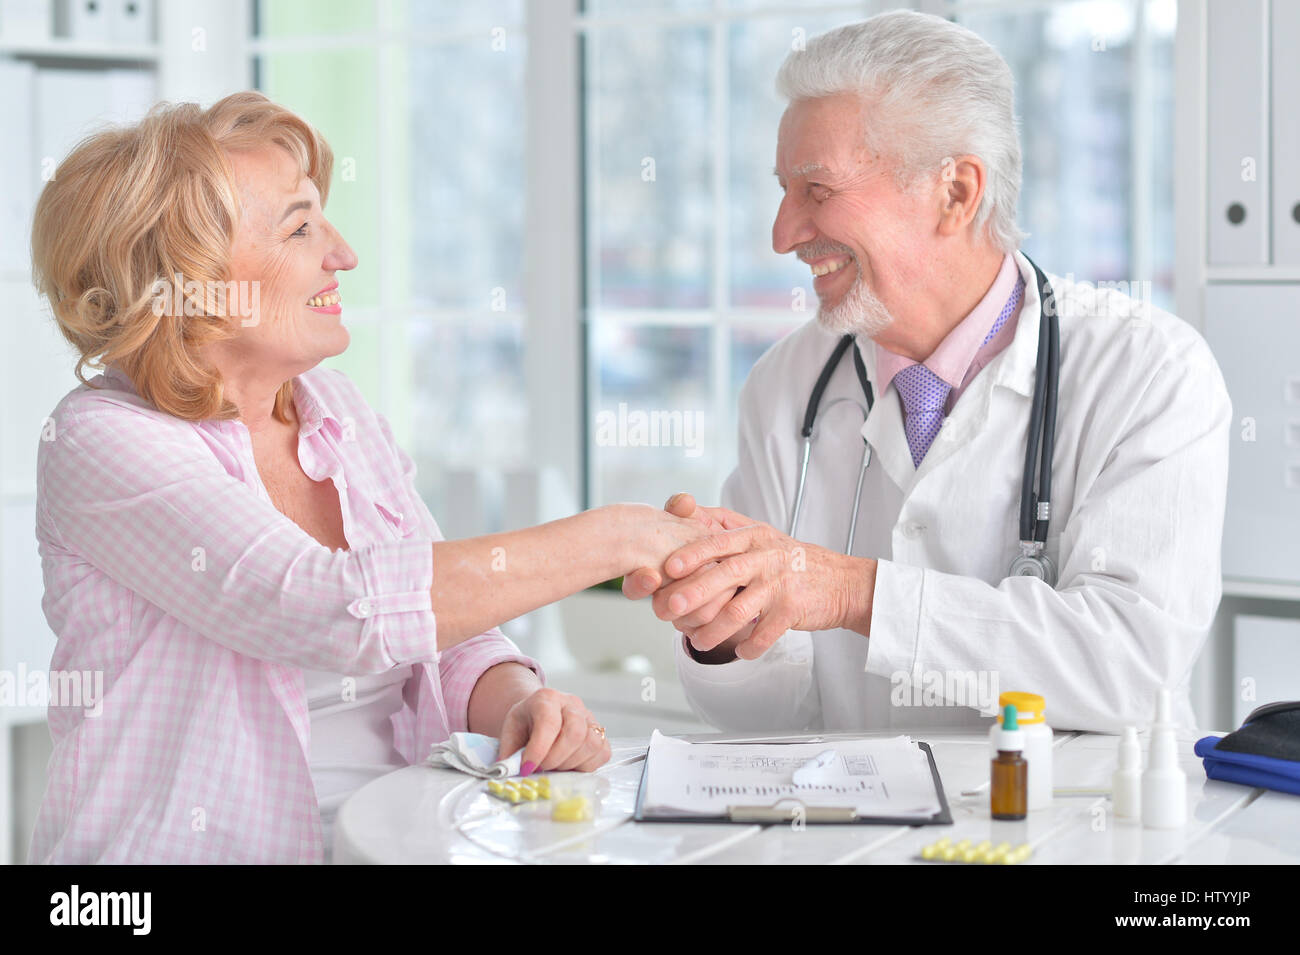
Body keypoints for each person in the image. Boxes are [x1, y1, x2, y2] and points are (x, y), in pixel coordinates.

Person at [27, 92, 707, 863]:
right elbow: (333, 606)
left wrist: (517, 703)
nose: (342, 252)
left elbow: (449, 640)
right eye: (300, 225)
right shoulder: (102, 441)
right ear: (190, 280)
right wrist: (617, 537)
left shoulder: (334, 411)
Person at [624, 11, 1231, 736]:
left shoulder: (1150, 372)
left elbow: (1129, 666)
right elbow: (778, 712)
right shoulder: (785, 386)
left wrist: (850, 593)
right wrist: (722, 624)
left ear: (956, 193)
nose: (782, 234)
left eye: (816, 191)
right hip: (863, 841)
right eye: (782, 190)